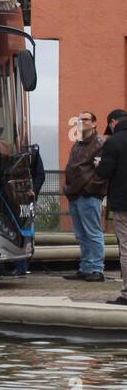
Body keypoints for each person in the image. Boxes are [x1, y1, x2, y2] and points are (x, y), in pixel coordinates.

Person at [63, 111, 107, 282]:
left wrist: (90, 189)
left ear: (94, 123)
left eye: (86, 119)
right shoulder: (78, 144)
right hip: (75, 194)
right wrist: (68, 188)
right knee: (81, 234)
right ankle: (87, 267)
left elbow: (101, 171)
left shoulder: (99, 143)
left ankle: (96, 268)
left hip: (88, 195)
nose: (81, 122)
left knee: (93, 233)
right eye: (80, 119)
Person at [95, 109, 127, 306]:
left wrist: (98, 165)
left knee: (125, 247)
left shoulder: (113, 142)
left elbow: (104, 173)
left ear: (114, 122)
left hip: (123, 204)